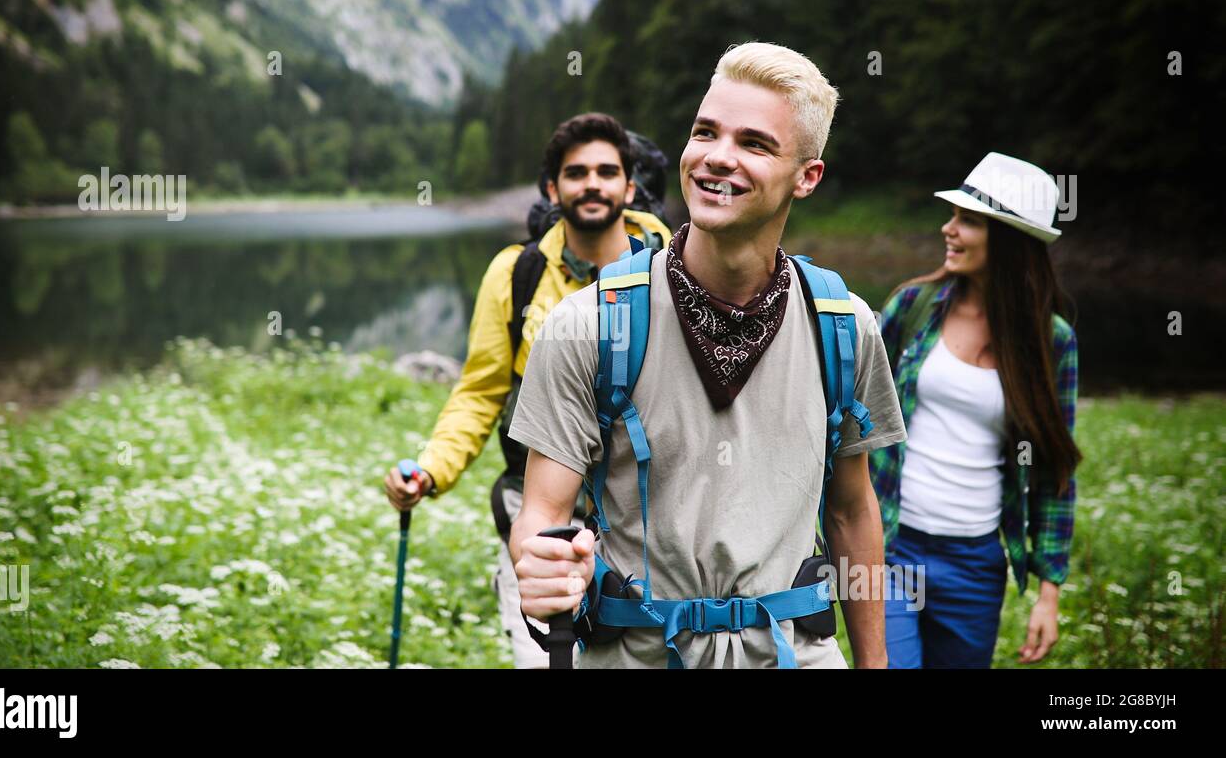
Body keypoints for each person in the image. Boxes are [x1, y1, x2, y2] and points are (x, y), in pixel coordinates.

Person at [506, 42, 907, 668]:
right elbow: (542, 515)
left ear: (808, 176)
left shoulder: (845, 327)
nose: (717, 157)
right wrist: (539, 565)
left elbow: (853, 509)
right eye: (705, 132)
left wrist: (876, 665)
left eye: (754, 143)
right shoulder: (585, 325)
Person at [382, 113, 673, 668]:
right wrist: (431, 469)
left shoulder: (673, 266)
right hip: (539, 520)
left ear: (630, 187)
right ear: (552, 187)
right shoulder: (516, 273)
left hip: (648, 522)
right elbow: (480, 390)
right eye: (576, 172)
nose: (592, 183)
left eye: (607, 172)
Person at [870, 151, 1081, 668]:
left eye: (968, 220)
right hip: (894, 547)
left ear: (1009, 242)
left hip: (976, 565)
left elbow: (1054, 470)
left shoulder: (1052, 343)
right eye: (953, 216)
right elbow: (856, 416)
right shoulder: (911, 308)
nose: (949, 229)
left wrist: (1049, 592)